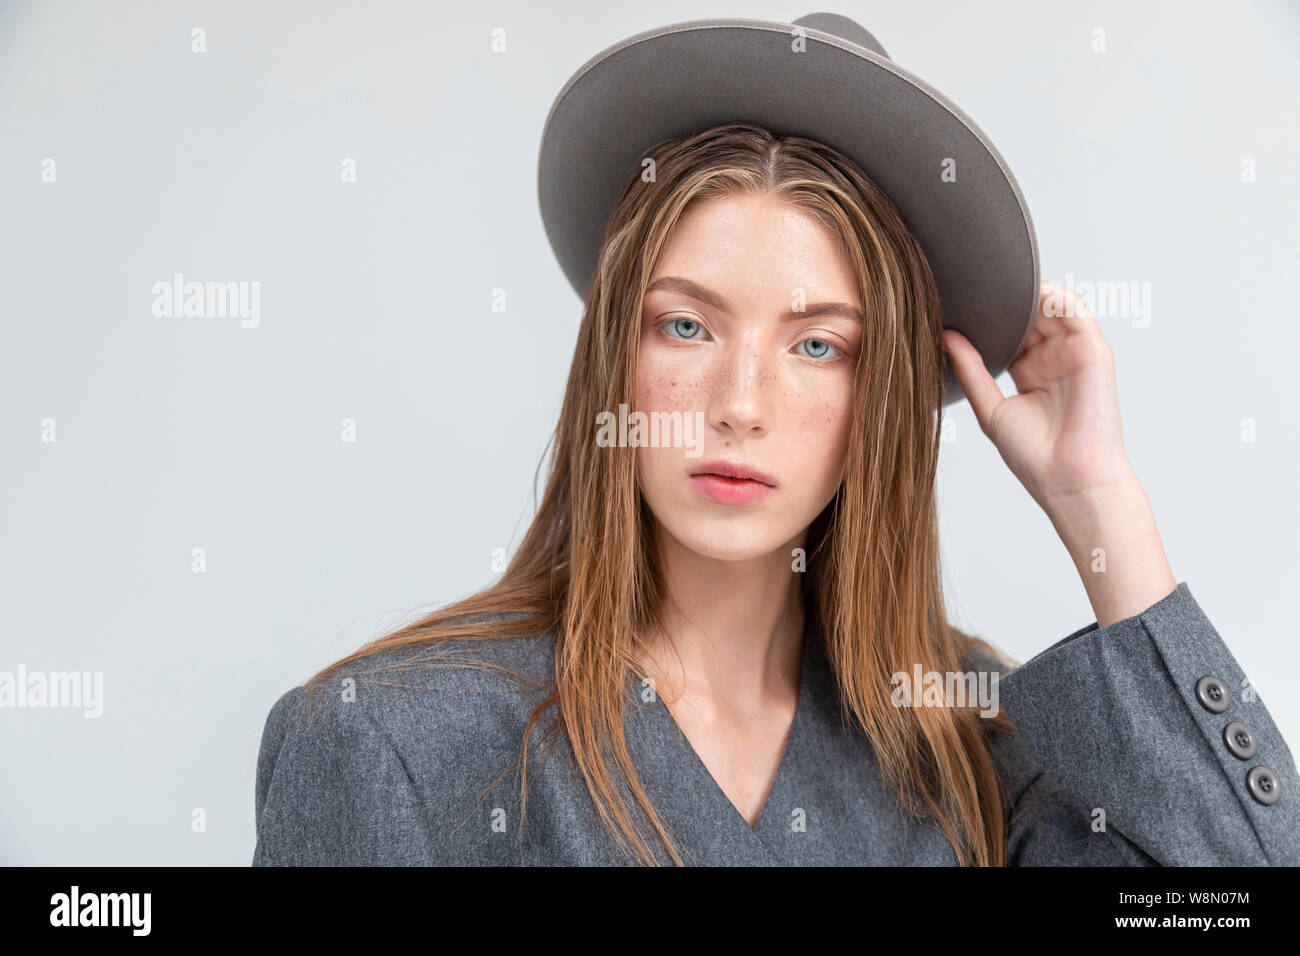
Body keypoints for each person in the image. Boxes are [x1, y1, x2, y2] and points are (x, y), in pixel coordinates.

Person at [252, 17, 1299, 867]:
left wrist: (1098, 503)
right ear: (612, 358)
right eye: (686, 325)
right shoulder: (389, 744)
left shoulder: (974, 755)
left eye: (816, 344)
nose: (738, 401)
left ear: (881, 401)